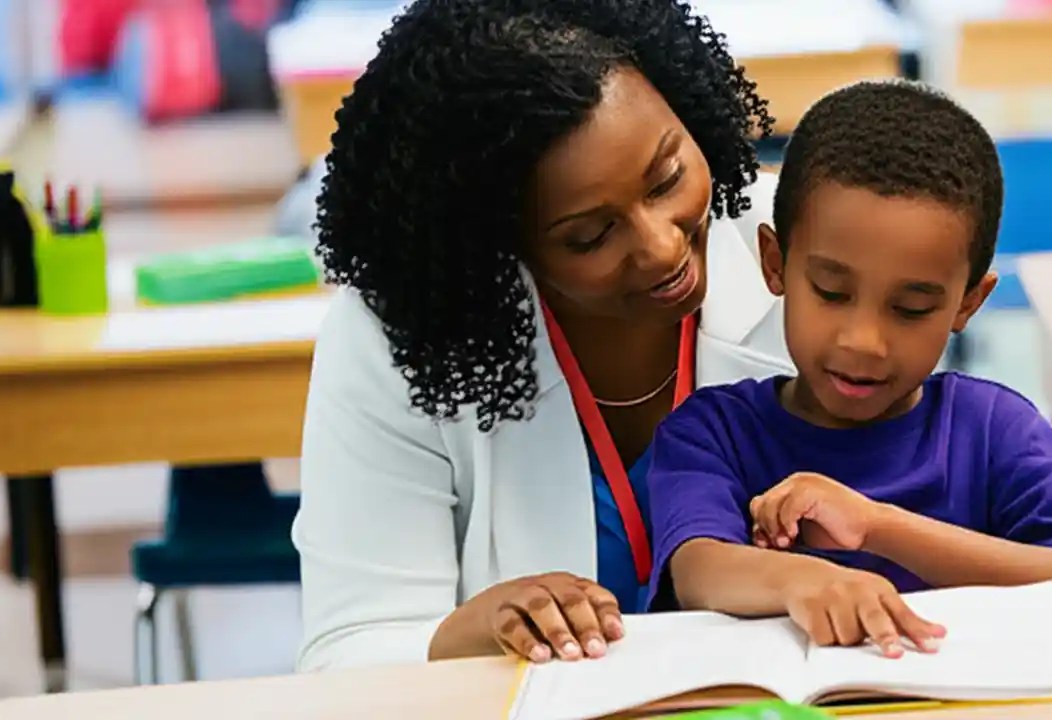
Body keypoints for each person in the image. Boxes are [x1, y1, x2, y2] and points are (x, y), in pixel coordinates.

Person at [293, 0, 789, 671]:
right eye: (590, 236)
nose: (662, 246)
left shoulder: (806, 243)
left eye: (668, 177)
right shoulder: (399, 335)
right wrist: (474, 631)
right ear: (500, 245)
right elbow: (345, 657)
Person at [645, 80, 1052, 660]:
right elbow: (699, 572)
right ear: (775, 264)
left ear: (967, 304)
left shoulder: (999, 430)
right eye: (830, 291)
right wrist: (809, 583)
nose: (864, 342)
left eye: (911, 309)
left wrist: (876, 527)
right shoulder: (714, 430)